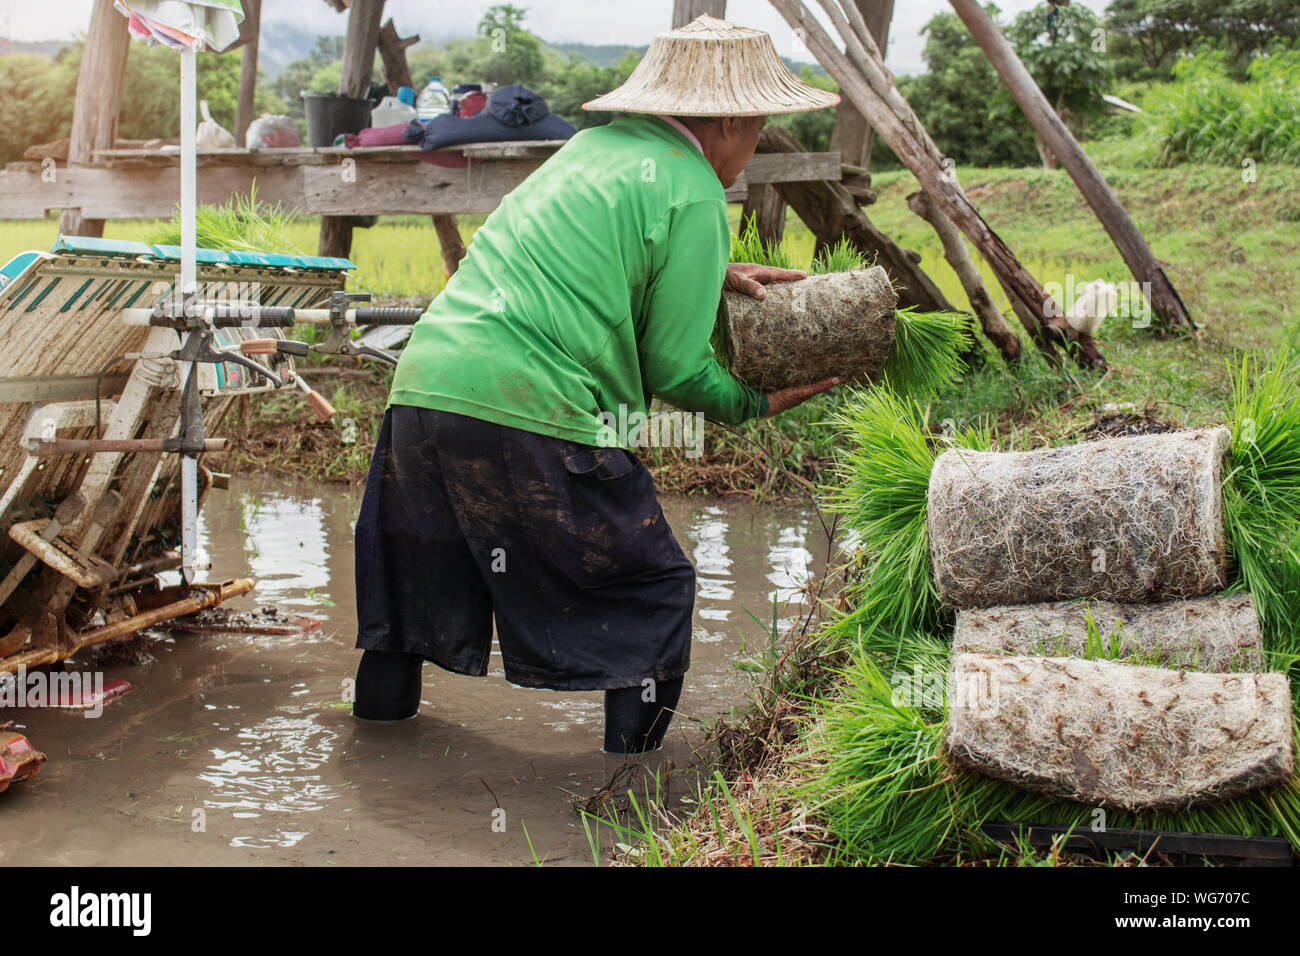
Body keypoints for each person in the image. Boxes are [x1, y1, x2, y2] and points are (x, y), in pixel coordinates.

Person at [351, 16, 841, 757]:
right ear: (732, 119)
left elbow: (594, 265)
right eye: (761, 126)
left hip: (424, 391)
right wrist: (754, 403)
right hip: (534, 407)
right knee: (654, 594)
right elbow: (675, 368)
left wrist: (710, 279)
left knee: (409, 608)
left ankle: (374, 766)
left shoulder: (590, 150)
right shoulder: (696, 189)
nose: (757, 144)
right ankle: (629, 798)